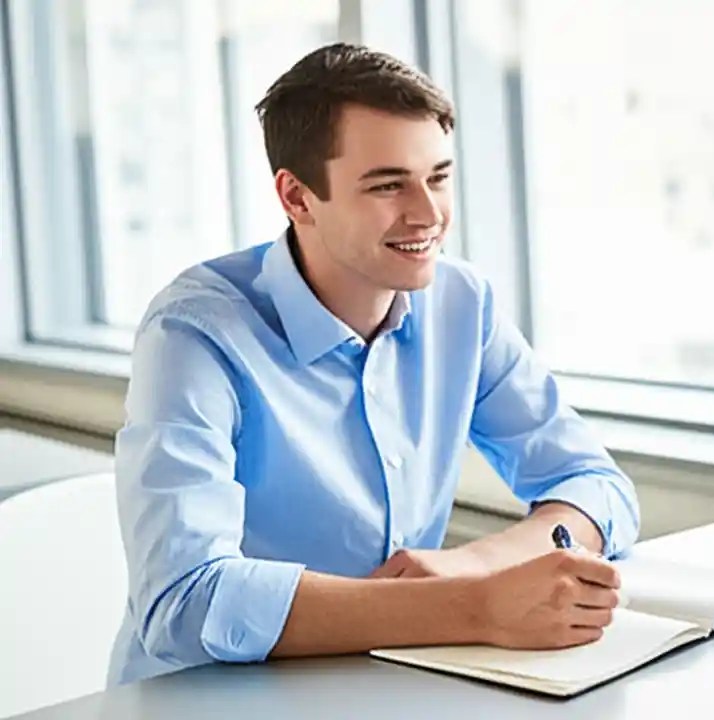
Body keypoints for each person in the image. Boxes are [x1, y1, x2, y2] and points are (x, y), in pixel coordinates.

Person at [108, 42, 640, 685]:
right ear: (298, 198)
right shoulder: (194, 334)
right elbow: (185, 601)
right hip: (210, 698)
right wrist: (473, 606)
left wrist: (474, 566)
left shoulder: (461, 304)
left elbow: (596, 487)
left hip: (390, 684)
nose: (429, 214)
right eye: (388, 185)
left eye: (439, 177)